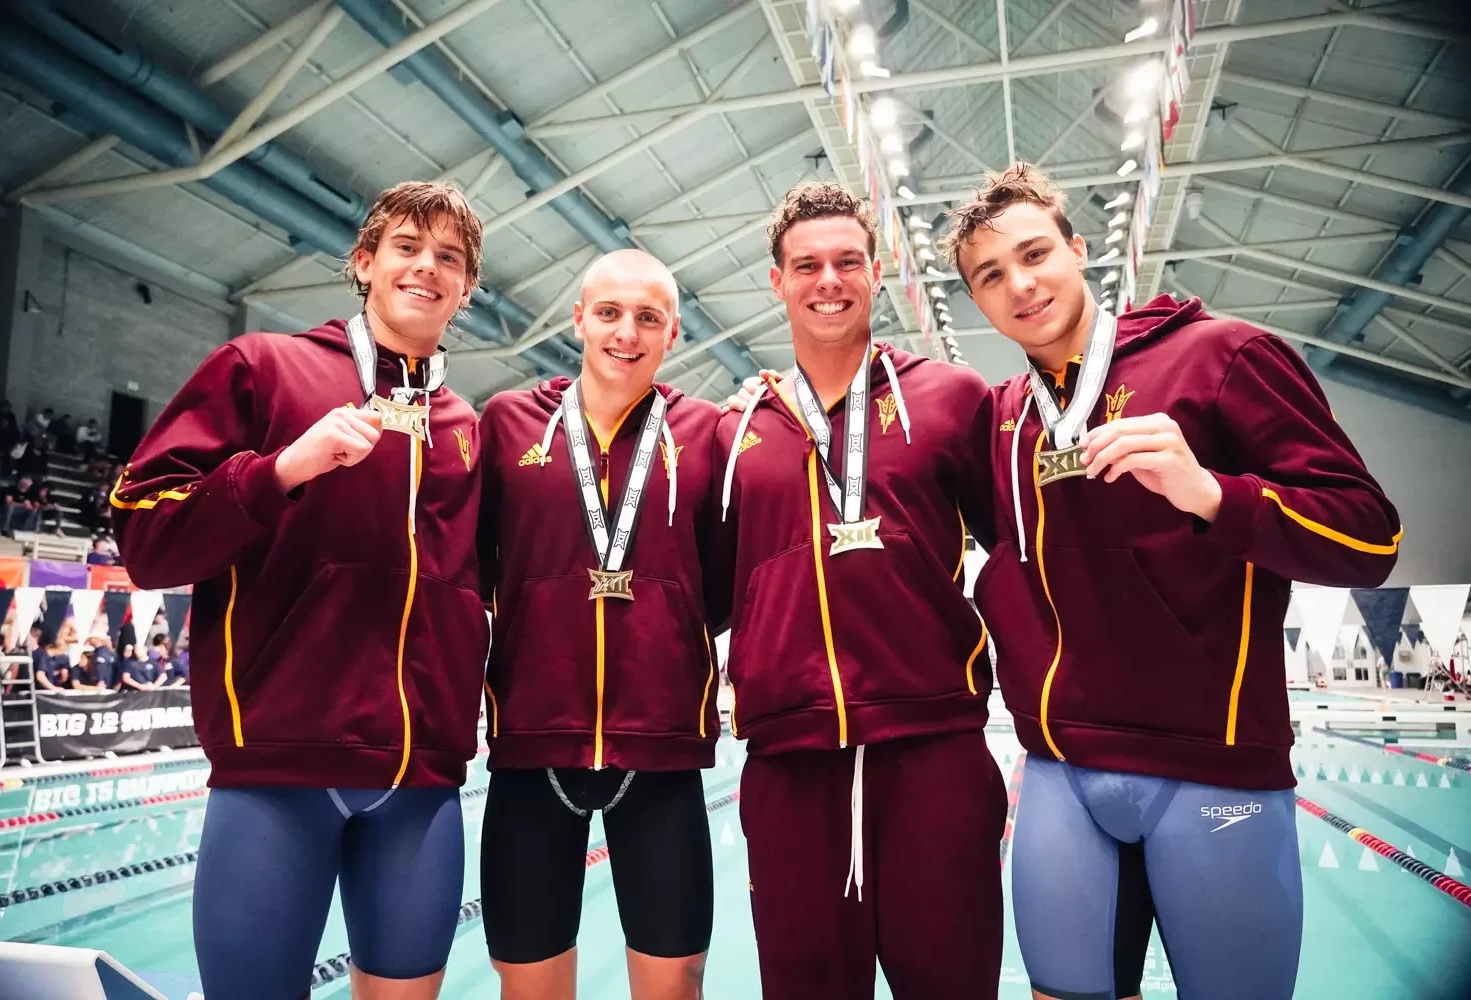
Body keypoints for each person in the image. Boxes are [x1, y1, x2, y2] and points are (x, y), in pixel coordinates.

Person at [937, 163, 1401, 1000]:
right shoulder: (1002, 418)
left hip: (1214, 767)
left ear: (1080, 250)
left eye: (1036, 253)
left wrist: (1213, 495)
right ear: (978, 302)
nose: (1021, 284)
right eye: (991, 277)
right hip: (1059, 770)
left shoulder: (1222, 357)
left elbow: (1371, 535)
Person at [110, 180, 490, 1000]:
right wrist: (278, 470)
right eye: (408, 248)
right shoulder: (261, 369)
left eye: (449, 258)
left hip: (419, 785)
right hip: (277, 774)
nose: (428, 267)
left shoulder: (465, 429)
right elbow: (143, 536)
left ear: (466, 289)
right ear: (364, 263)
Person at [713, 181, 1005, 999]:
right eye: (806, 265)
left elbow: (1026, 553)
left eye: (846, 262)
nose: (828, 280)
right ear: (777, 282)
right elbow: (704, 586)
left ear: (876, 271)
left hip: (935, 753)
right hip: (790, 764)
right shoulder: (734, 429)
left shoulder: (951, 400)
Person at [475, 249, 723, 1000]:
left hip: (662, 757)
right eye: (610, 312)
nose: (627, 331)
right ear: (579, 319)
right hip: (532, 755)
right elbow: (477, 566)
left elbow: (726, 577)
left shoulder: (708, 434)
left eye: (648, 317)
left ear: (673, 332)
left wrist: (667, 631)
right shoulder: (506, 423)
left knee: (675, 985)